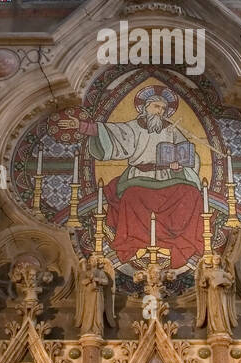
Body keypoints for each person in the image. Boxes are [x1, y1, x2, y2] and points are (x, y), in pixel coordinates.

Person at [58, 85, 204, 267]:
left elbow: (189, 154)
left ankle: (178, 240)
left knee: (191, 194)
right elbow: (111, 133)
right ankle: (135, 242)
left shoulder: (172, 129)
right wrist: (81, 126)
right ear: (145, 108)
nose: (160, 112)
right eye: (156, 107)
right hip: (139, 176)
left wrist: (178, 165)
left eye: (163, 109)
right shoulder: (133, 127)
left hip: (169, 177)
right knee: (132, 196)